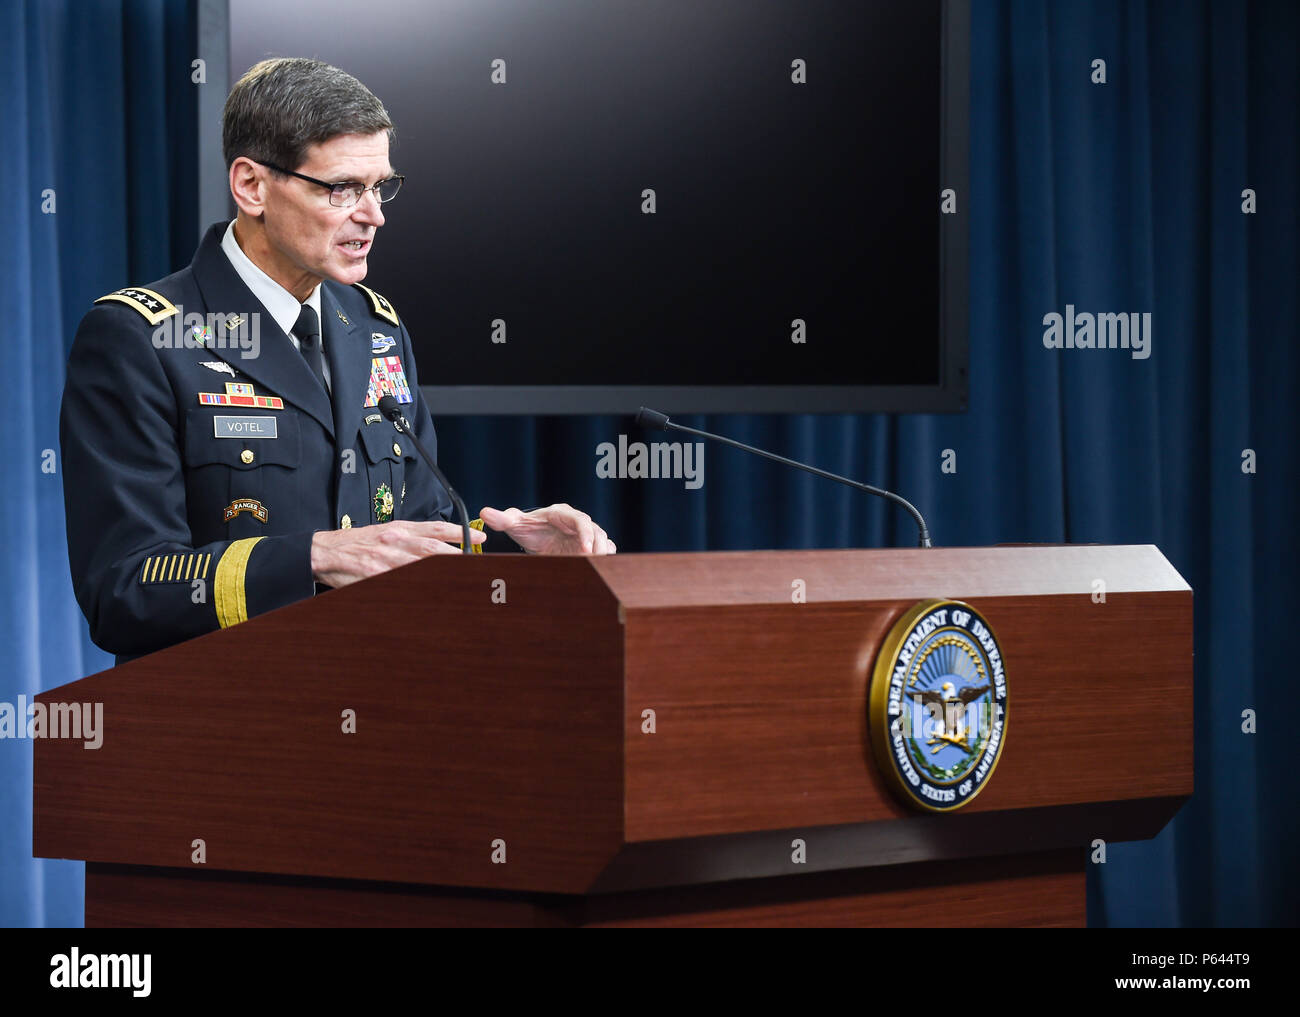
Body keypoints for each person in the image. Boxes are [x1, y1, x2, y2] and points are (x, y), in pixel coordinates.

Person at [60, 58, 614, 663]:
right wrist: (315, 557)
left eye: (380, 187)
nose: (374, 215)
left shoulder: (375, 329)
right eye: (343, 188)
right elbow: (122, 590)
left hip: (378, 714)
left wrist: (524, 560)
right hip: (224, 726)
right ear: (251, 186)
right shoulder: (144, 337)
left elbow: (414, 534)